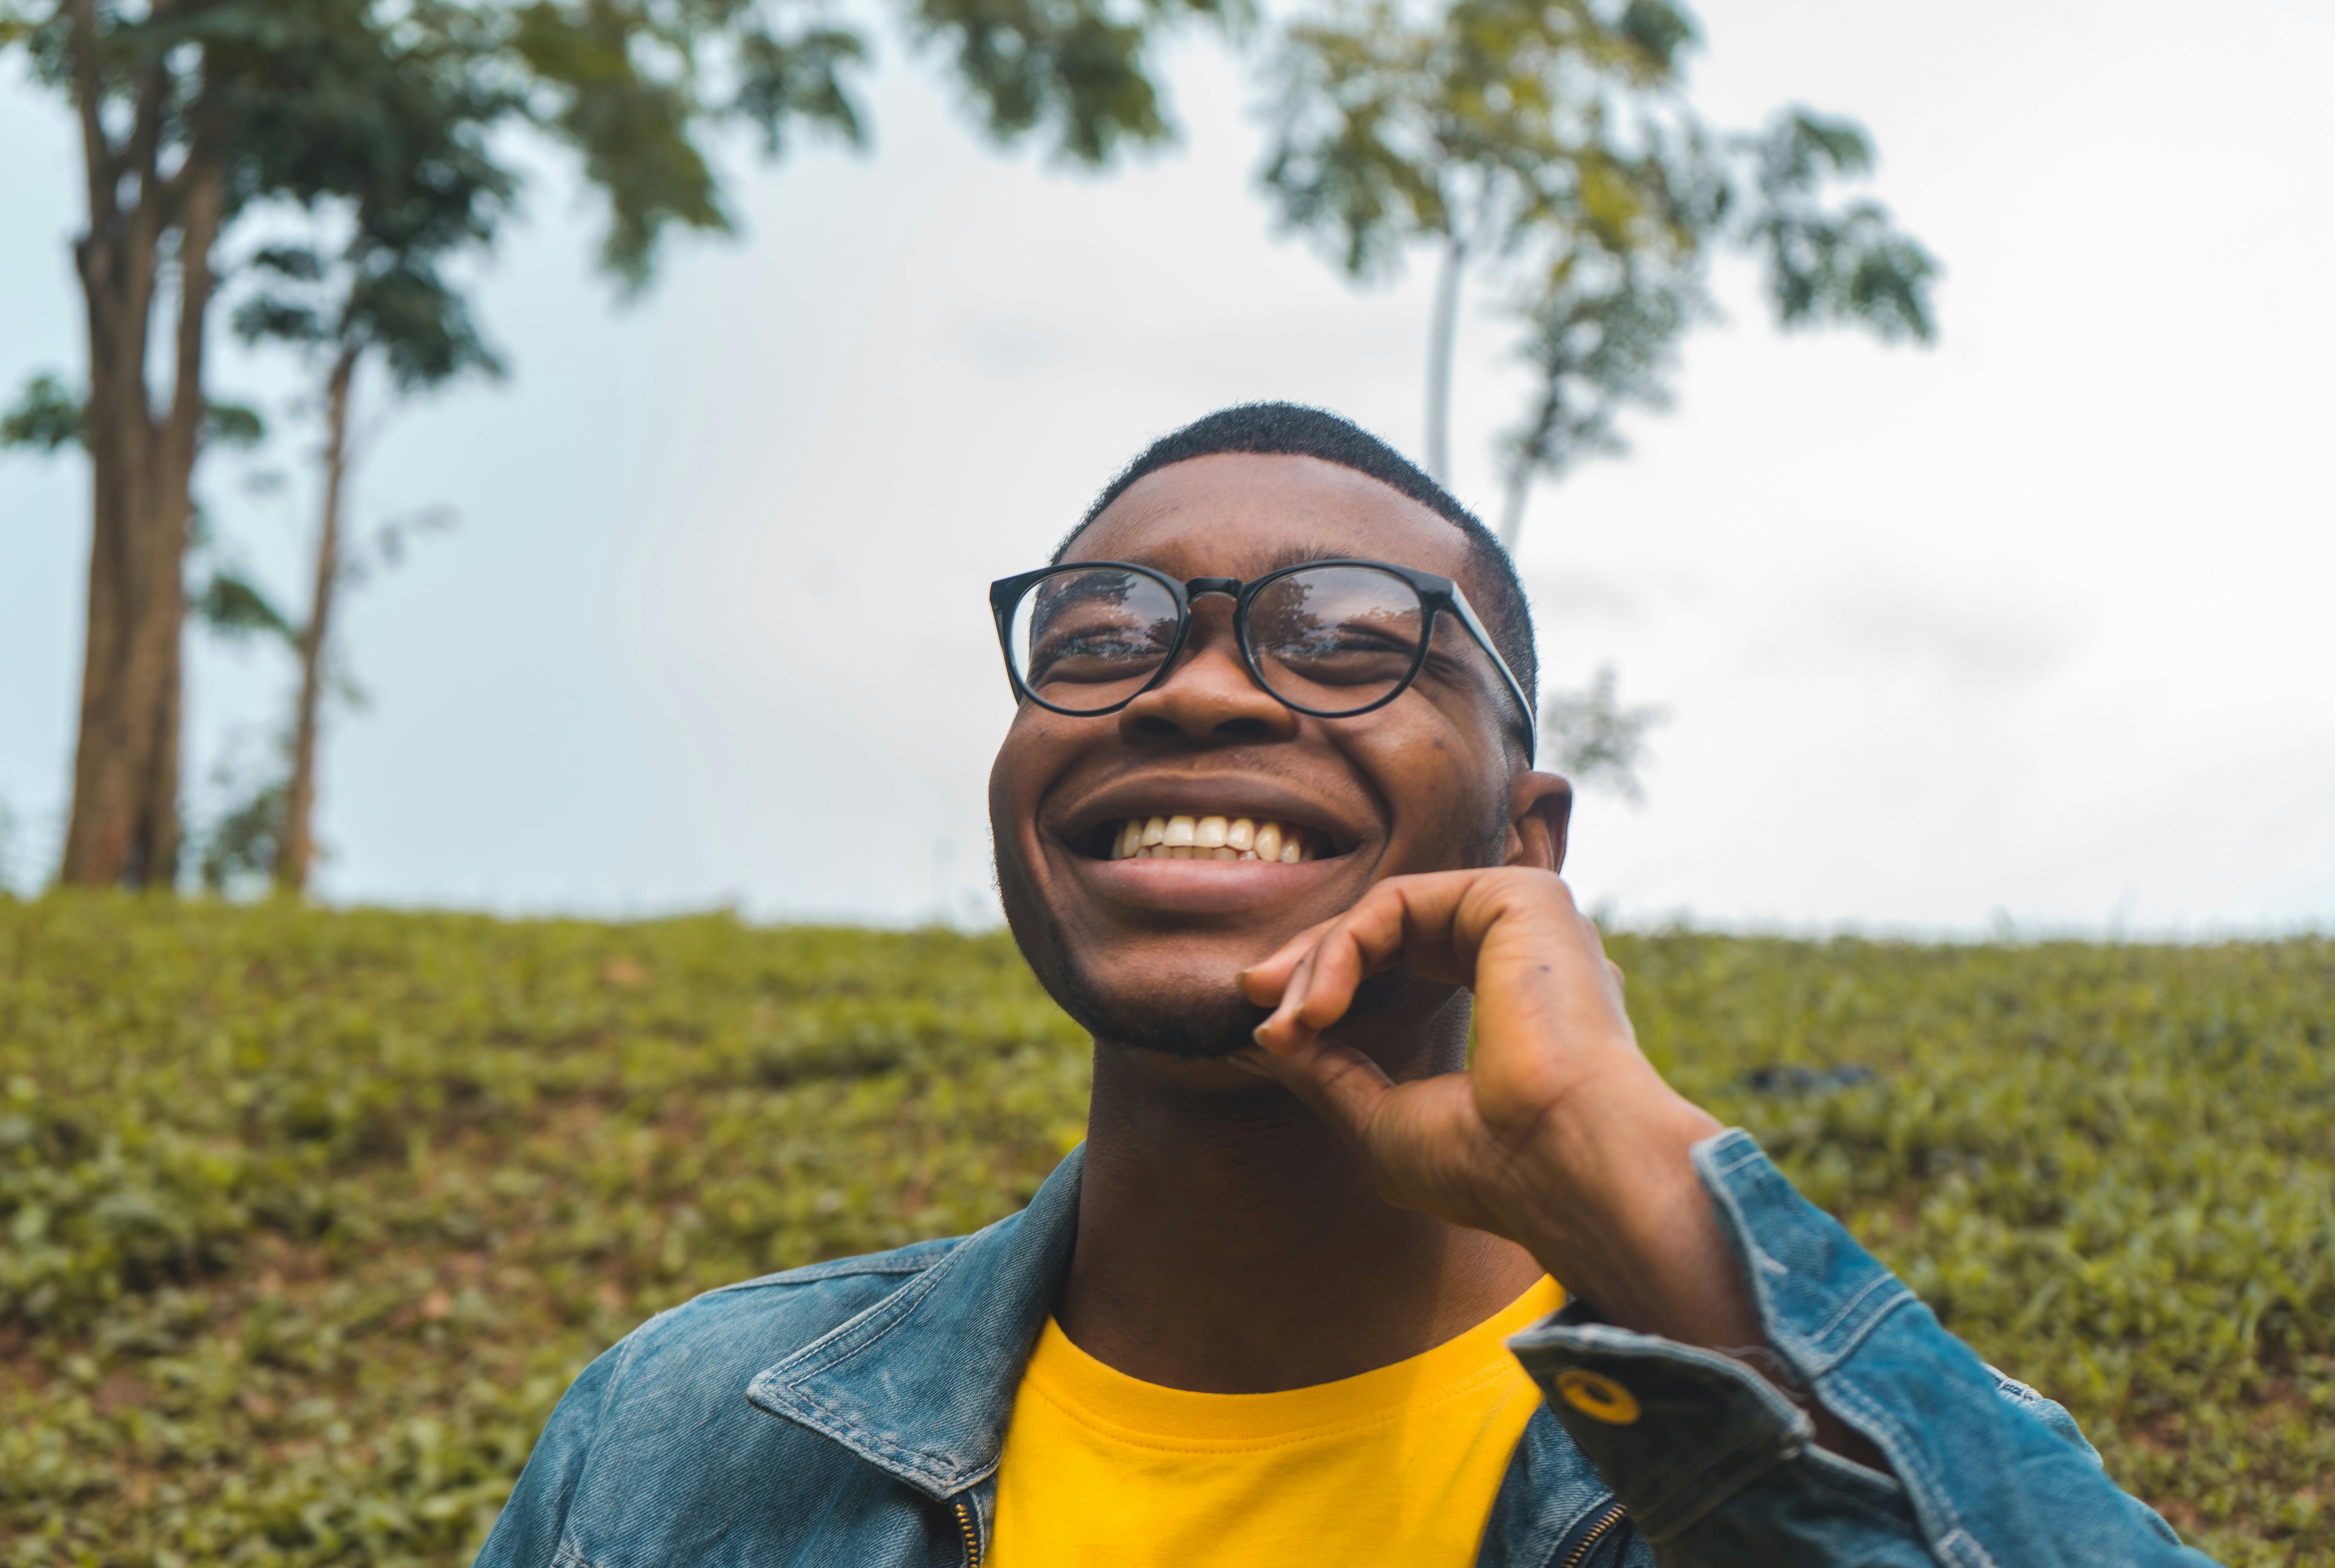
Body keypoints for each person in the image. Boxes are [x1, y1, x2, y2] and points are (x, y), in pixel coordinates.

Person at [472, 403, 2210, 1567]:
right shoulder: (677, 1441)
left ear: (1526, 840)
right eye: (1099, 637)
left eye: (1346, 641)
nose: (1194, 691)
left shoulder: (1865, 1474)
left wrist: (1659, 1208)